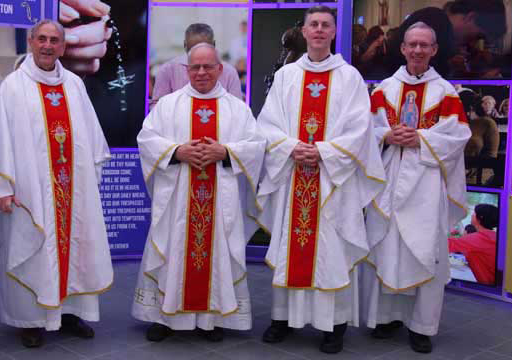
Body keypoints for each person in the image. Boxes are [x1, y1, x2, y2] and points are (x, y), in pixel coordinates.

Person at [0, 19, 113, 348]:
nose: (48, 46)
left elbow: (92, 138)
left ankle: (69, 313)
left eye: (54, 40)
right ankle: (31, 320)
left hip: (72, 189)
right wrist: (2, 188)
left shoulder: (75, 86)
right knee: (32, 248)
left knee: (77, 248)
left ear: (63, 46)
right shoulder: (13, 86)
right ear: (31, 41)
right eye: (42, 39)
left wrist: (90, 174)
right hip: (30, 191)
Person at [256, 6, 385, 354]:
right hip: (293, 174)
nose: (318, 30)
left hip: (332, 181)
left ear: (333, 32)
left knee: (332, 248)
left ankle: (333, 325)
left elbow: (361, 130)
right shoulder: (286, 77)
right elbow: (267, 124)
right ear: (304, 30)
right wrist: (292, 147)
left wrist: (324, 152)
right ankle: (282, 318)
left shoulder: (350, 77)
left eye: (325, 25)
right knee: (290, 245)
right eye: (313, 24)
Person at [133, 42, 264, 342]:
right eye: (196, 67)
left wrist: (226, 152)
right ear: (186, 69)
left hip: (220, 201)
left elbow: (256, 146)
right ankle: (163, 317)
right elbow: (147, 139)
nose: (202, 72)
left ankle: (212, 317)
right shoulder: (168, 105)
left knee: (217, 250)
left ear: (220, 69)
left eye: (208, 66)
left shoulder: (237, 108)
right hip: (178, 199)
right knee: (171, 248)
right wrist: (177, 151)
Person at [365, 22, 471, 353]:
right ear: (403, 48)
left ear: (434, 50)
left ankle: (421, 326)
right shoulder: (384, 89)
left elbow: (458, 136)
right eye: (412, 44)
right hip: (389, 179)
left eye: (424, 45)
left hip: (426, 185)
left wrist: (420, 138)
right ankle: (387, 317)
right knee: (387, 246)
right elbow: (365, 130)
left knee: (424, 250)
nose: (417, 51)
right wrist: (386, 135)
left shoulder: (446, 93)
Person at [381, 0, 507, 78]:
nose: (474, 42)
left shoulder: (436, 20)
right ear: (470, 17)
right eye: (479, 36)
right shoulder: (436, 23)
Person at [150, 23, 243, 108]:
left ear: (213, 45)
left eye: (204, 48)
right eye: (194, 49)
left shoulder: (229, 71)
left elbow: (237, 108)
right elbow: (157, 109)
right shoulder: (167, 70)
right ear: (185, 45)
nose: (201, 72)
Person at [449, 204, 499, 285]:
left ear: (480, 218)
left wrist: (446, 227)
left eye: (474, 213)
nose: (472, 215)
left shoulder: (478, 239)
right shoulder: (492, 236)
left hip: (488, 289)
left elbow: (445, 245)